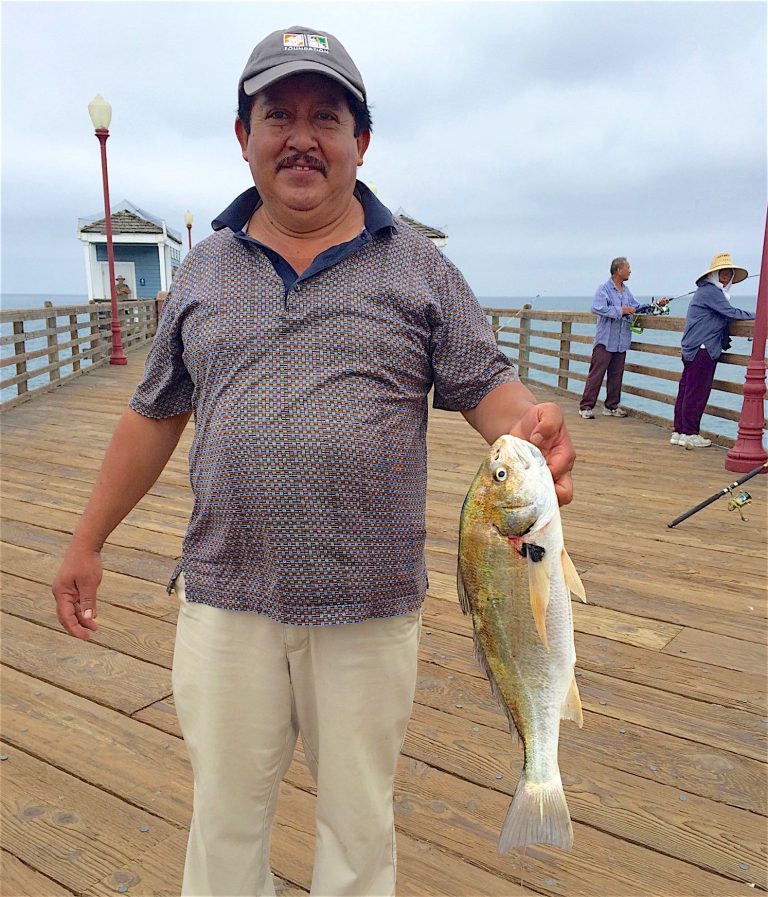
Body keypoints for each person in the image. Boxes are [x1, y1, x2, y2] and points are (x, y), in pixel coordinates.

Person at [52, 25, 575, 897]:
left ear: (359, 142)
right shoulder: (203, 273)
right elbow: (152, 416)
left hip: (368, 610)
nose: (302, 136)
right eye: (278, 114)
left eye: (325, 117)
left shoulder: (420, 268)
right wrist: (85, 540)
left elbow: (494, 392)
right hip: (226, 598)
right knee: (224, 819)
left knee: (360, 824)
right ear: (243, 136)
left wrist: (539, 430)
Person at [671, 252, 754, 448]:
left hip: (693, 347)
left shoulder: (706, 291)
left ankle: (680, 431)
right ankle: (690, 433)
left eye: (728, 273)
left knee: (686, 389)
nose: (725, 276)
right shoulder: (711, 291)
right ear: (713, 274)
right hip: (702, 348)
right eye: (722, 272)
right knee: (696, 392)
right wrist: (759, 314)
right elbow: (731, 312)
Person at [579, 257, 667, 419]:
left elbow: (636, 307)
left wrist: (656, 305)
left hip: (621, 340)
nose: (630, 271)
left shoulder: (626, 291)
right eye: (628, 268)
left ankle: (611, 406)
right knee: (596, 374)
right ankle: (586, 407)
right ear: (618, 270)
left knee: (616, 375)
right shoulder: (604, 288)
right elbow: (597, 308)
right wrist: (621, 310)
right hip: (605, 340)